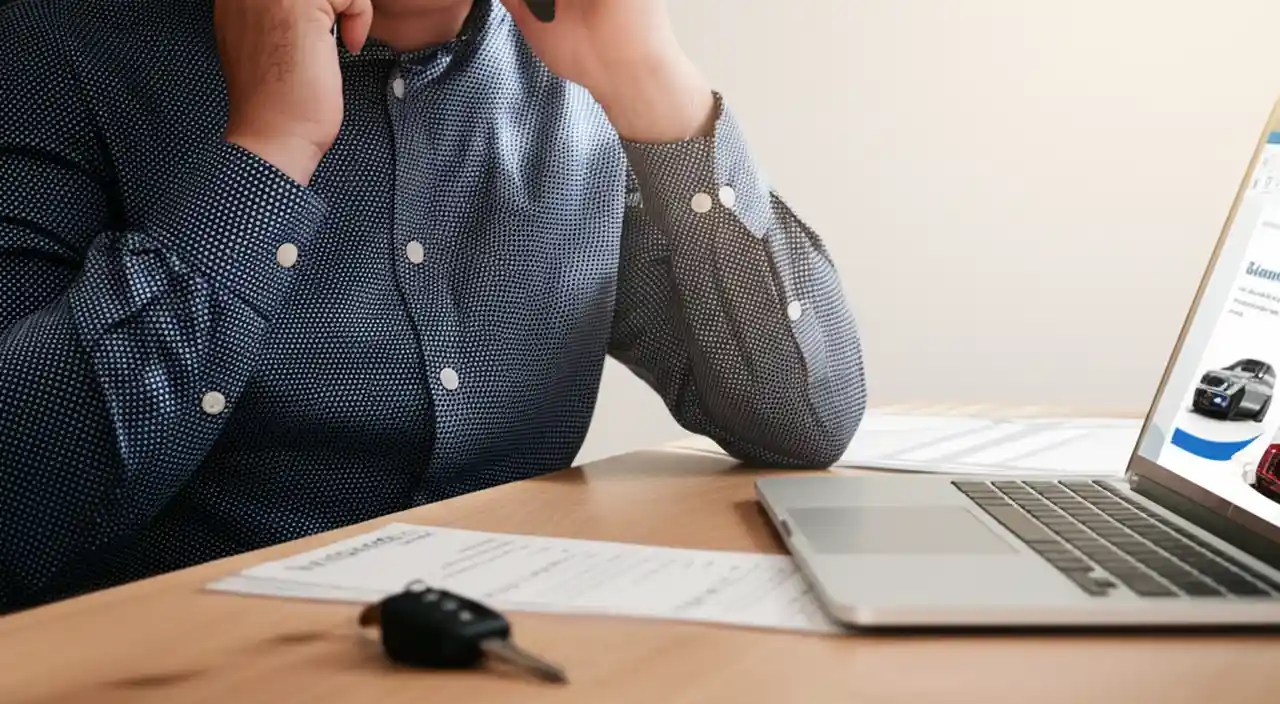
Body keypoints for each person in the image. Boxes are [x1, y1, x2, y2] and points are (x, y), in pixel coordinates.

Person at [0, 0, 866, 612]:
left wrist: (651, 81)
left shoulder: (579, 68)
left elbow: (801, 419)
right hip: (164, 667)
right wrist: (270, 148)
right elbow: (20, 498)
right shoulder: (57, 40)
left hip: (513, 653)